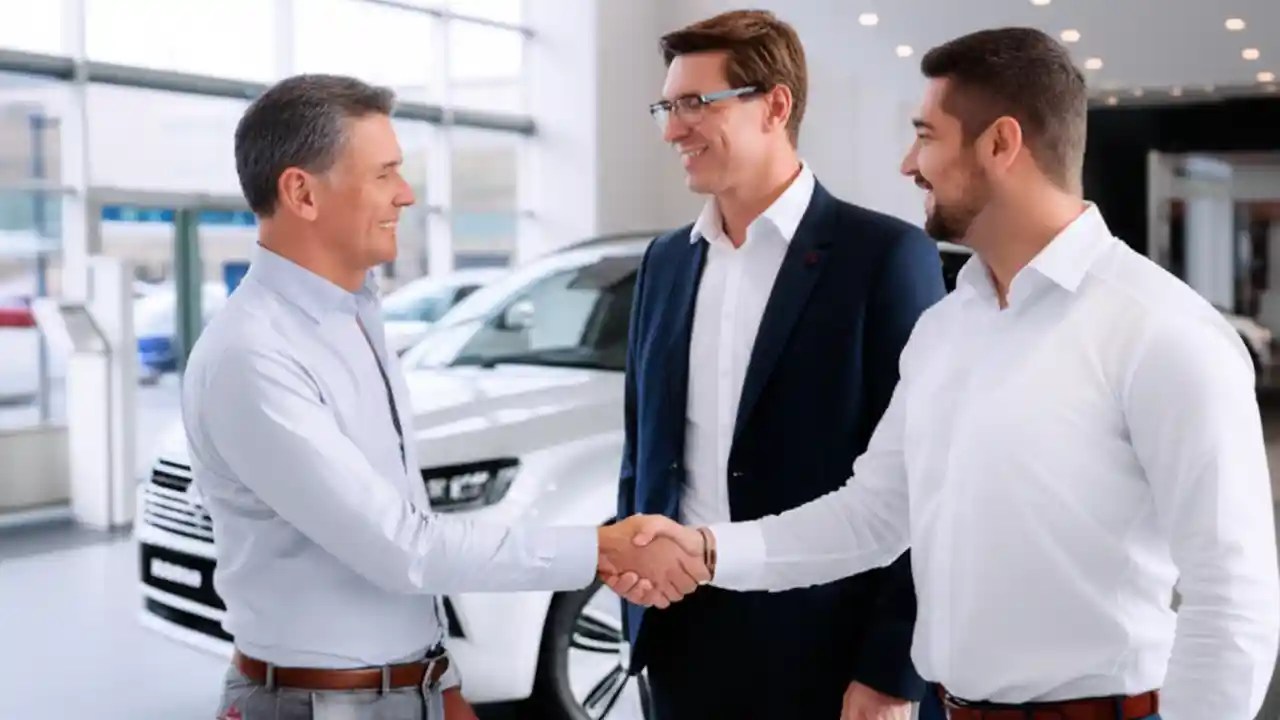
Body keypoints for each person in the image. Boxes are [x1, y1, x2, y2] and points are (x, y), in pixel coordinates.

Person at [613, 26, 1280, 720]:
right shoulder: (947, 327)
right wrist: (707, 550)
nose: (909, 164)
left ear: (1000, 144)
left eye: (925, 136)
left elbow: (1233, 599)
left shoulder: (1163, 331)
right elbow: (874, 514)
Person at [183, 73, 704, 720]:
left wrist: (439, 680)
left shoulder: (354, 317)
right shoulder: (253, 355)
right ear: (302, 193)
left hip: (406, 689)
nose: (405, 194)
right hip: (318, 704)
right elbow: (401, 546)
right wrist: (602, 548)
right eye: (384, 173)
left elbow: (397, 530)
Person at [614, 10, 946, 720]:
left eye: (695, 103)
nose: (673, 130)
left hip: (831, 652)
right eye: (667, 108)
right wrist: (636, 585)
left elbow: (928, 482)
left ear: (774, 105)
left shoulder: (883, 258)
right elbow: (641, 449)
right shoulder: (666, 262)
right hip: (681, 636)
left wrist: (894, 669)